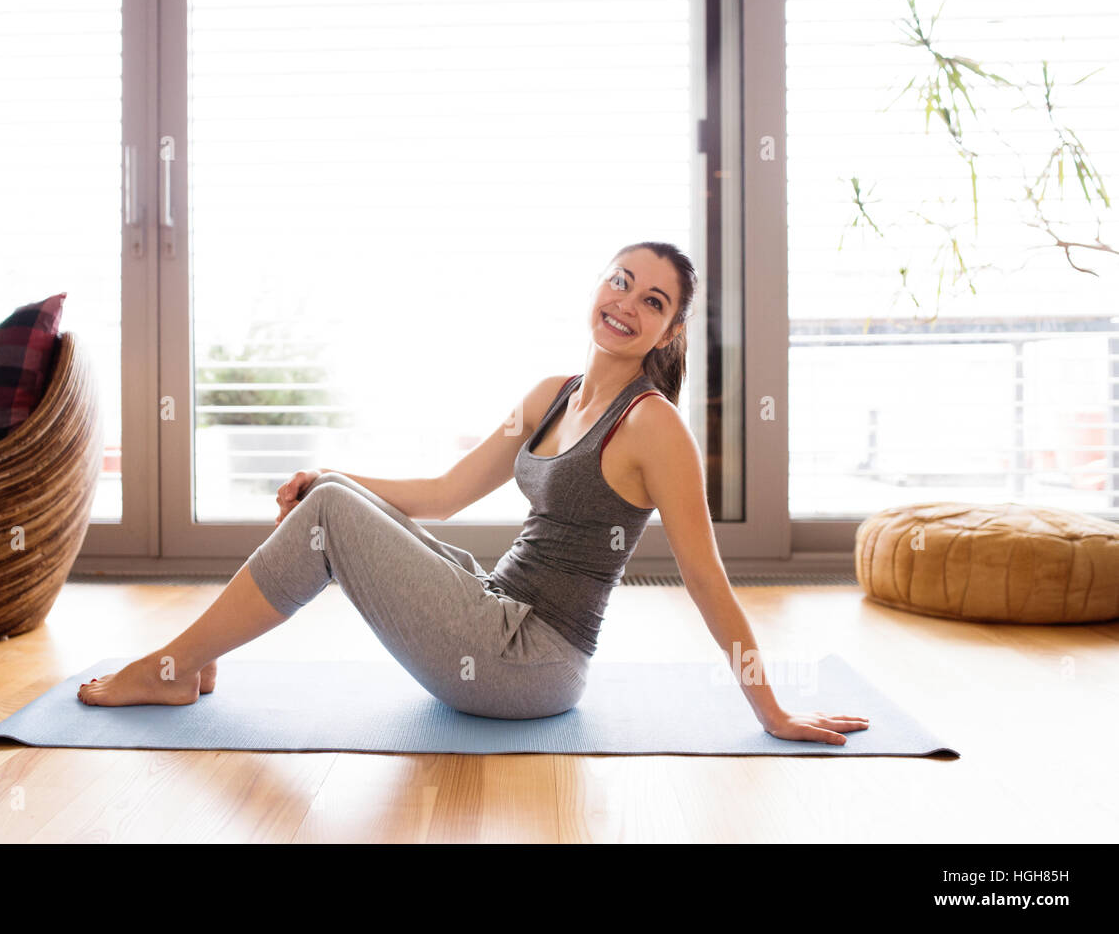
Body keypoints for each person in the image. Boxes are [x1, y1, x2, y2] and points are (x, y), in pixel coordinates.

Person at [78, 242, 869, 744]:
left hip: (528, 661)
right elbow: (445, 492)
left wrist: (773, 710)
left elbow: (706, 579)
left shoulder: (655, 427)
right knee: (335, 499)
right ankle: (200, 658)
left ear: (668, 334)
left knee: (331, 510)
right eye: (620, 281)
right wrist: (335, 477)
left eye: (652, 301)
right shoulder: (551, 393)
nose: (627, 303)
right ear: (596, 285)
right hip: (492, 610)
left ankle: (174, 663)